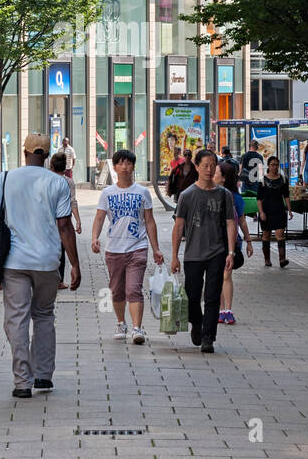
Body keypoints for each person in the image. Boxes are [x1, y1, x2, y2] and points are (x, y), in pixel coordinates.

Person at [0, 134, 78, 398]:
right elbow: (64, 226)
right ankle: (44, 376)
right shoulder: (58, 182)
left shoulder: (5, 178)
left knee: (17, 318)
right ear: (47, 156)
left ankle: (22, 381)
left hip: (14, 262)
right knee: (44, 315)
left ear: (24, 152)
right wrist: (74, 265)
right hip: (47, 262)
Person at [90, 150, 162, 344]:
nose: (125, 167)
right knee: (117, 291)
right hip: (114, 249)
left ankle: (137, 329)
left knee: (134, 289)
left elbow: (149, 222)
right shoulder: (107, 193)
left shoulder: (143, 192)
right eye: (121, 163)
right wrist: (94, 237)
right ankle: (121, 322)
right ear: (114, 167)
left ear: (133, 167)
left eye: (129, 164)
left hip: (137, 247)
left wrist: (155, 249)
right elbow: (99, 217)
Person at [171, 149, 237, 354]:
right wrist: (174, 256)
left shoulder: (224, 195)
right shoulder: (187, 195)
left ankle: (208, 336)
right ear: (197, 166)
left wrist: (231, 252)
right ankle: (197, 324)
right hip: (193, 254)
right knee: (192, 295)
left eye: (212, 165)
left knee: (212, 296)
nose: (209, 169)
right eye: (205, 165)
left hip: (217, 252)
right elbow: (179, 226)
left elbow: (229, 223)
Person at [218, 161, 252, 325]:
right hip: (213, 242)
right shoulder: (209, 193)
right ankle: (220, 310)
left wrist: (248, 240)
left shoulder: (235, 198)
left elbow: (242, 221)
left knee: (226, 275)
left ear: (224, 178)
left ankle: (227, 310)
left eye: (216, 172)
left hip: (231, 242)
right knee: (217, 276)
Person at [49, 151, 82, 288]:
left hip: (48, 221)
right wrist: (78, 220)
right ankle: (59, 280)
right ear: (65, 167)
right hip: (63, 220)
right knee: (61, 249)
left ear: (51, 166)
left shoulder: (47, 180)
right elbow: (72, 202)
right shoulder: (68, 182)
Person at [257, 155, 292, 268]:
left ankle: (282, 259)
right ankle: (267, 259)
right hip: (266, 210)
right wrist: (261, 212)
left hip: (279, 210)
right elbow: (259, 199)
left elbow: (286, 195)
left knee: (280, 234)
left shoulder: (283, 179)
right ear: (268, 166)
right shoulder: (262, 180)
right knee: (266, 235)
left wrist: (289, 210)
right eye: (273, 165)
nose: (275, 167)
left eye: (277, 165)